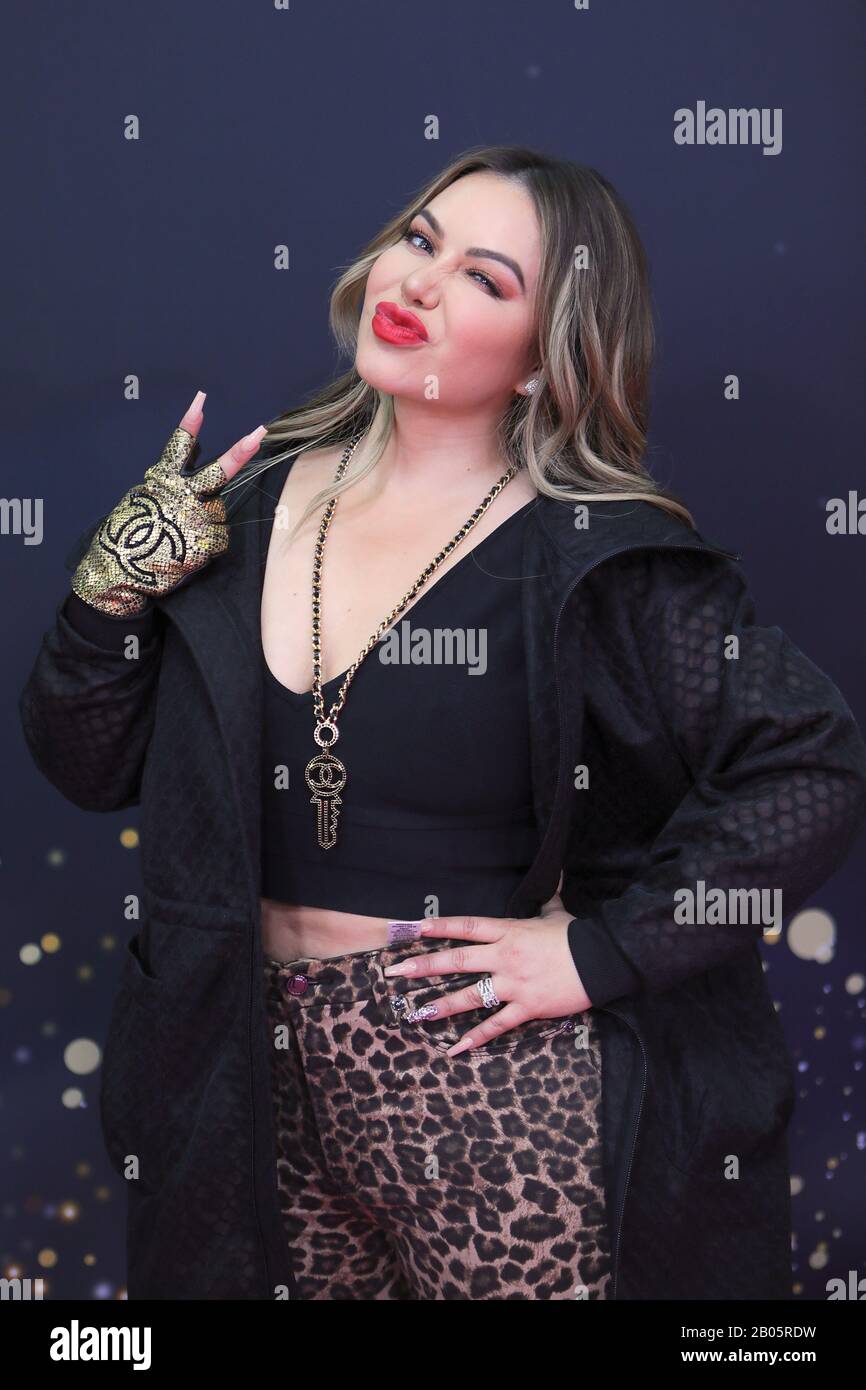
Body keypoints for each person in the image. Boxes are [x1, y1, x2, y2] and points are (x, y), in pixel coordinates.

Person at [18, 145, 866, 1301]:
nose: (416, 284)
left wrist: (600, 953)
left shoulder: (595, 556)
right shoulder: (240, 506)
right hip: (244, 1079)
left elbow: (810, 764)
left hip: (489, 1091)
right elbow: (89, 764)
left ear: (540, 360)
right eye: (418, 241)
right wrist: (106, 590)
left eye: (485, 278)